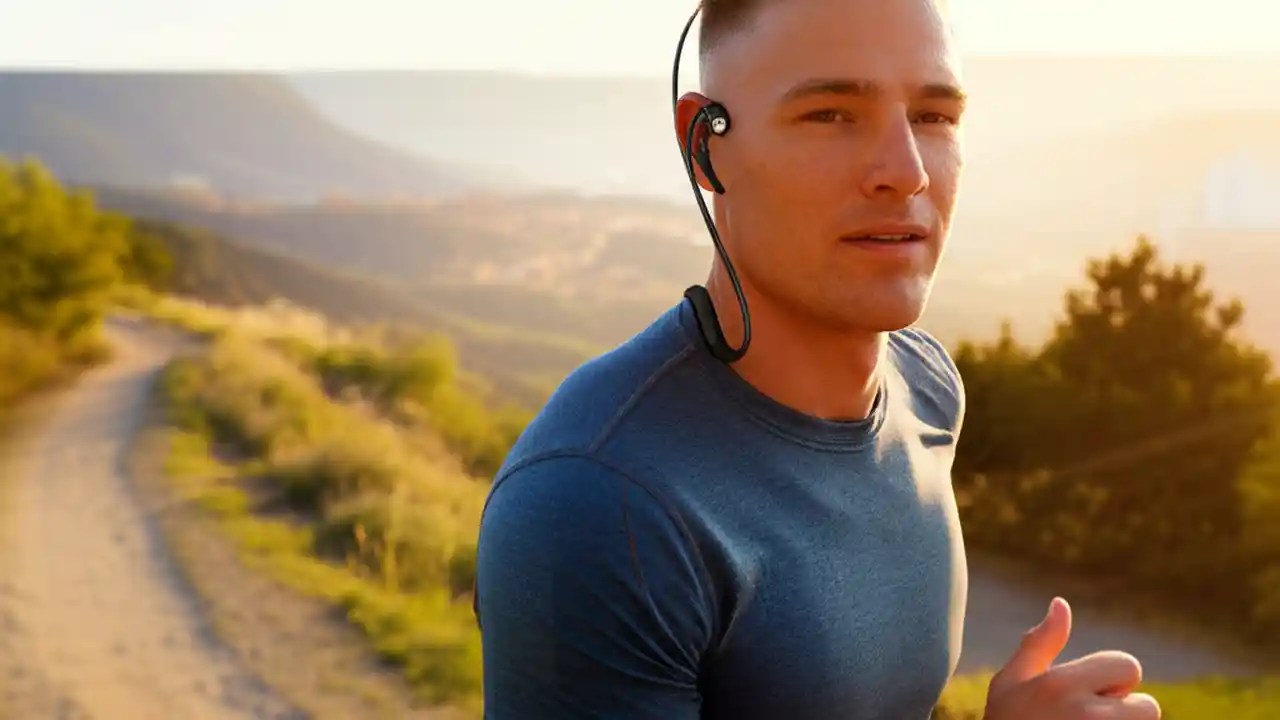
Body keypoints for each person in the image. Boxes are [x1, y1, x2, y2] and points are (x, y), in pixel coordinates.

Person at [472, 0, 1163, 718]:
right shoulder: (598, 505)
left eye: (933, 117)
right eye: (831, 114)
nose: (906, 173)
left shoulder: (926, 387)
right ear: (704, 147)